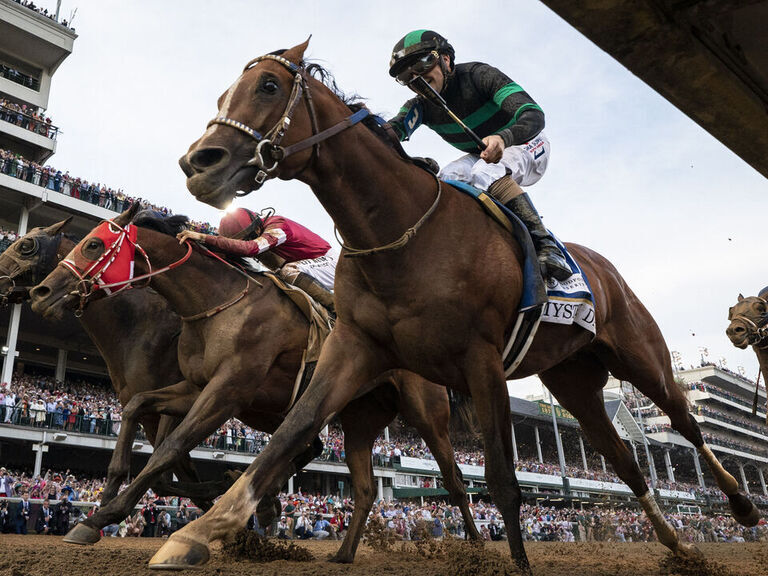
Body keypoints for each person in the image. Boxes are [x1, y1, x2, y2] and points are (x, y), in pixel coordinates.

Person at [387, 30, 571, 281]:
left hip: (528, 141)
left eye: (422, 64)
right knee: (448, 180)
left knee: (485, 171)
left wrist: (503, 138)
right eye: (406, 75)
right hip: (482, 154)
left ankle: (546, 244)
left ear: (446, 60)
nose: (416, 77)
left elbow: (533, 115)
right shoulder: (419, 107)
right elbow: (390, 132)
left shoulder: (478, 75)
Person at [177, 208, 337, 312]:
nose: (247, 240)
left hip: (329, 262)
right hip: (307, 266)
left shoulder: (279, 226)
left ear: (258, 227)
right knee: (276, 274)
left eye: (249, 237)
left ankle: (337, 310)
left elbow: (250, 248)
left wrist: (204, 237)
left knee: (289, 271)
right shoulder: (260, 228)